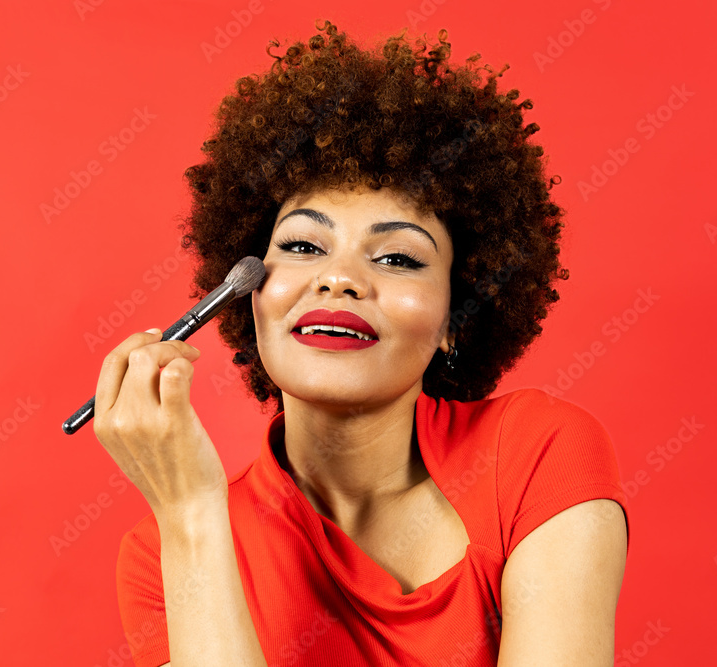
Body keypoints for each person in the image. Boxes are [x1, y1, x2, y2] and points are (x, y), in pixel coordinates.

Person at [95, 19, 630, 666]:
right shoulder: (161, 551)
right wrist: (190, 515)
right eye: (301, 245)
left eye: (399, 258)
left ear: (455, 318)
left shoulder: (538, 453)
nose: (340, 278)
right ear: (248, 295)